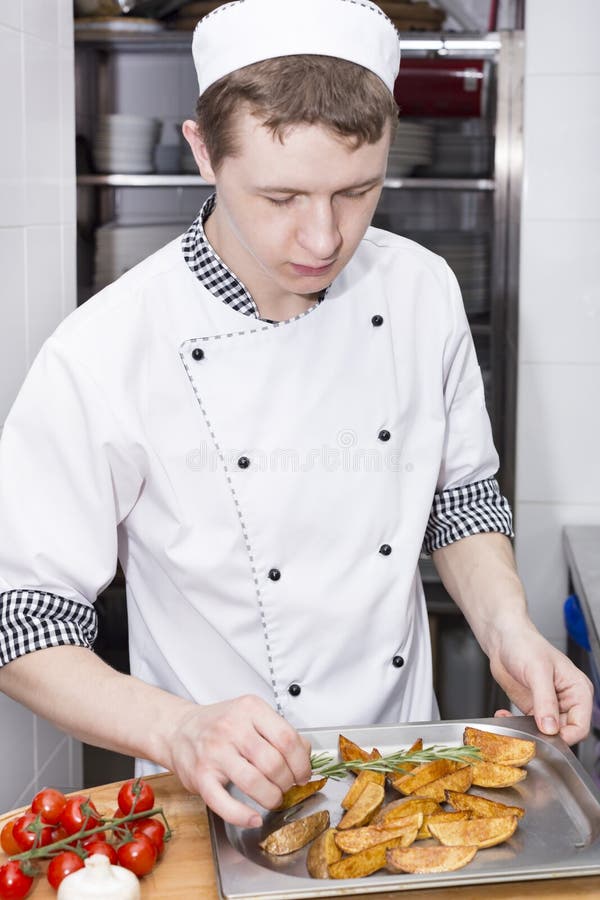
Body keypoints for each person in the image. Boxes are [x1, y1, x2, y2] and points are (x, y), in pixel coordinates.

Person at [0, 0, 592, 830]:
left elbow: (459, 498)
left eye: (358, 191)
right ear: (203, 152)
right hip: (213, 790)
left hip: (402, 770)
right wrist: (177, 728)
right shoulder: (107, 347)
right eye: (281, 195)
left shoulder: (421, 289)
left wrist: (508, 630)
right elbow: (23, 621)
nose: (324, 238)